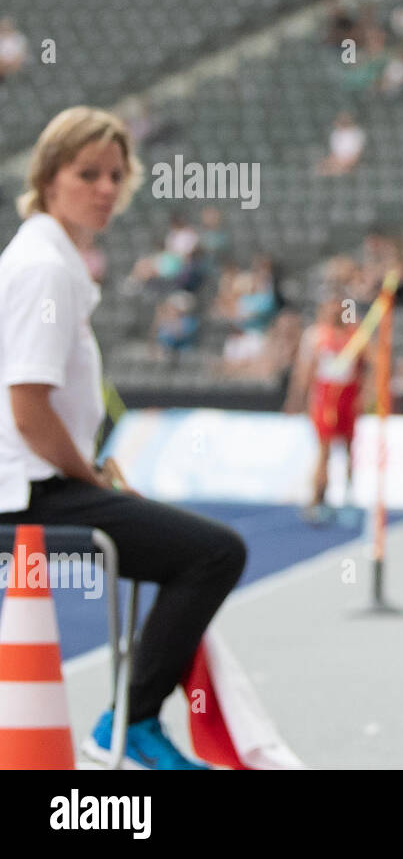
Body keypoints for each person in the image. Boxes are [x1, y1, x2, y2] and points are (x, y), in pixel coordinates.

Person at [0, 107, 247, 767]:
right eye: (88, 174)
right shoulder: (43, 269)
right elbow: (28, 410)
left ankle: (130, 721)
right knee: (213, 554)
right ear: (50, 178)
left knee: (200, 548)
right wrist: (90, 476)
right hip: (30, 490)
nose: (106, 188)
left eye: (116, 174)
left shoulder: (52, 261)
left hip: (40, 478)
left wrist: (94, 473)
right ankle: (129, 725)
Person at [285, 297, 368, 522]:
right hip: (325, 399)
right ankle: (319, 498)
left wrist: (366, 395)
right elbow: (304, 371)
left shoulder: (355, 334)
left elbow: (369, 363)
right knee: (324, 452)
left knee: (350, 449)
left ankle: (349, 499)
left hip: (348, 397)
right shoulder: (316, 336)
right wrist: (297, 399)